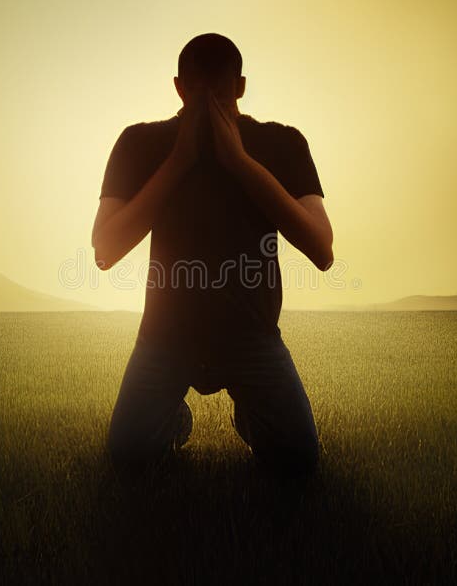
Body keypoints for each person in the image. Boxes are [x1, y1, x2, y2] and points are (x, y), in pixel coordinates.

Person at [92, 33, 333, 477]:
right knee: (129, 459)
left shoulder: (281, 142)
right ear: (180, 89)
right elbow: (105, 250)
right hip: (165, 337)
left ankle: (251, 410)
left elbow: (322, 249)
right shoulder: (140, 142)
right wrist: (180, 159)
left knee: (299, 463)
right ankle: (174, 417)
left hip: (252, 336)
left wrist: (238, 161)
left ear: (240, 88)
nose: (208, 107)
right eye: (199, 95)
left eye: (218, 95)